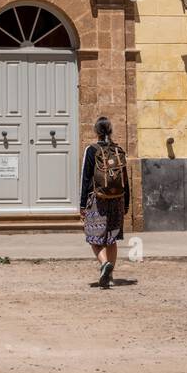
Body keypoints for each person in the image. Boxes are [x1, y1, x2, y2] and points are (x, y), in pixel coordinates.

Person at [79, 116, 130, 288]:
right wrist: (127, 203)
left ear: (96, 131)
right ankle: (109, 275)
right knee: (111, 238)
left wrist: (81, 205)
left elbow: (85, 179)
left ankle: (104, 264)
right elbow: (125, 179)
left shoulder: (91, 150)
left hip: (97, 200)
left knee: (93, 236)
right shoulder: (118, 150)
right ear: (110, 130)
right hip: (117, 199)